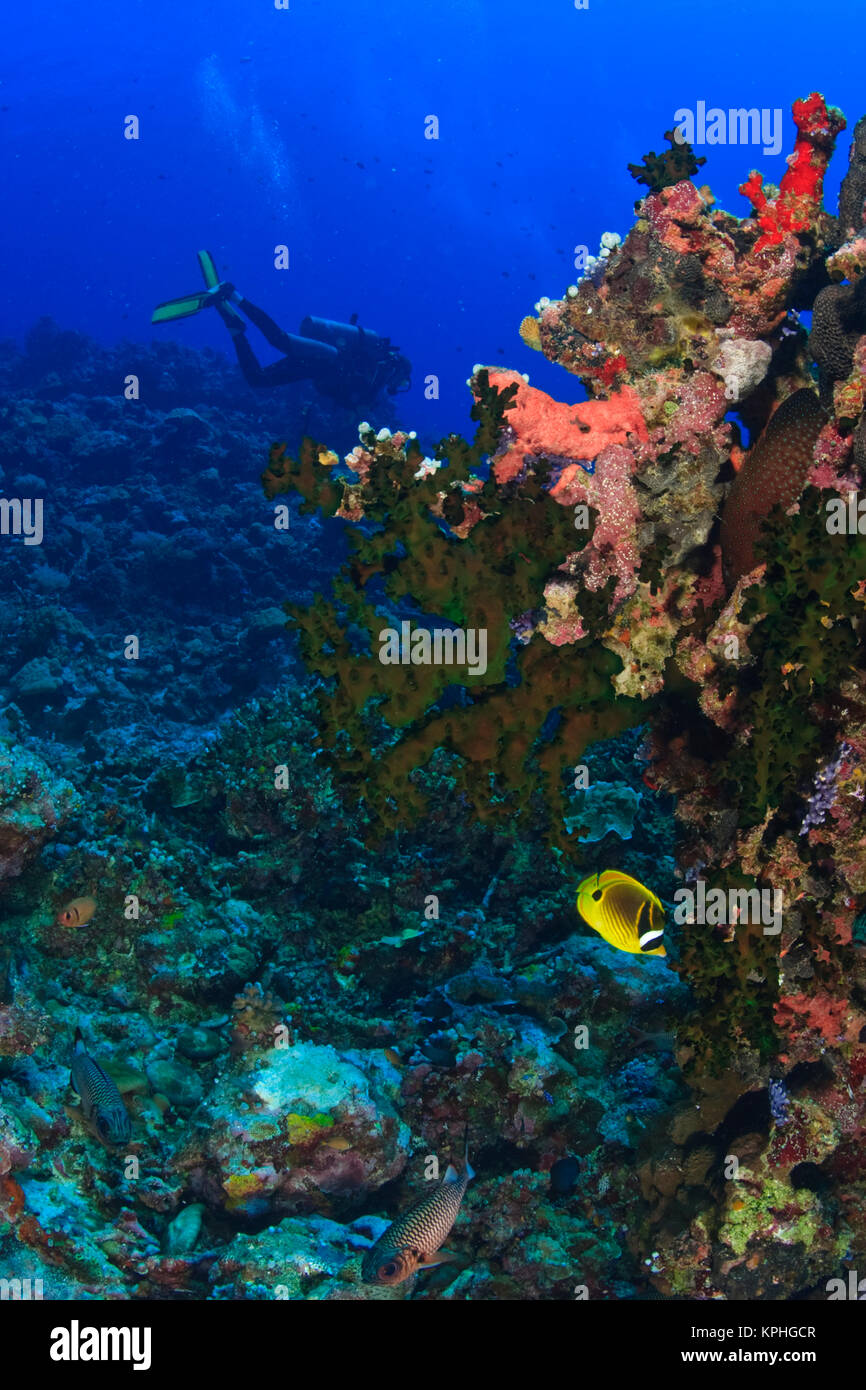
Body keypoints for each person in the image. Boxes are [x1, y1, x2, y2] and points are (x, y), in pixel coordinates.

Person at [152, 251, 411, 407]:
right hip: (329, 355)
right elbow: (354, 384)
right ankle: (234, 295)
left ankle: (235, 328)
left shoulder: (376, 379)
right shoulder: (381, 368)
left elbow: (341, 394)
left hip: (315, 367)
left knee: (258, 379)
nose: (396, 387)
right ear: (398, 371)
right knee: (279, 340)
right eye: (401, 383)